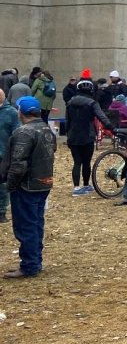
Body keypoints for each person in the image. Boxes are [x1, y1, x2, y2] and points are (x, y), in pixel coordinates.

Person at [2, 96, 56, 277]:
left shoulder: (24, 132)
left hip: (26, 185)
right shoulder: (46, 129)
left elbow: (18, 163)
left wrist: (10, 184)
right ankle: (35, 261)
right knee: (36, 223)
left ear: (21, 112)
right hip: (43, 182)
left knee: (26, 226)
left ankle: (30, 265)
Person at [65, 79, 112, 195]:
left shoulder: (70, 102)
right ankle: (86, 185)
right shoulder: (92, 103)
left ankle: (76, 188)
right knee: (86, 162)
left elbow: (67, 121)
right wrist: (111, 128)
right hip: (87, 135)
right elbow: (102, 117)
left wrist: (68, 134)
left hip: (73, 135)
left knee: (77, 162)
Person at [0, 89, 21, 223]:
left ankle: (1, 211)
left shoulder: (11, 113)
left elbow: (16, 134)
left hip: (3, 154)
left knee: (2, 185)